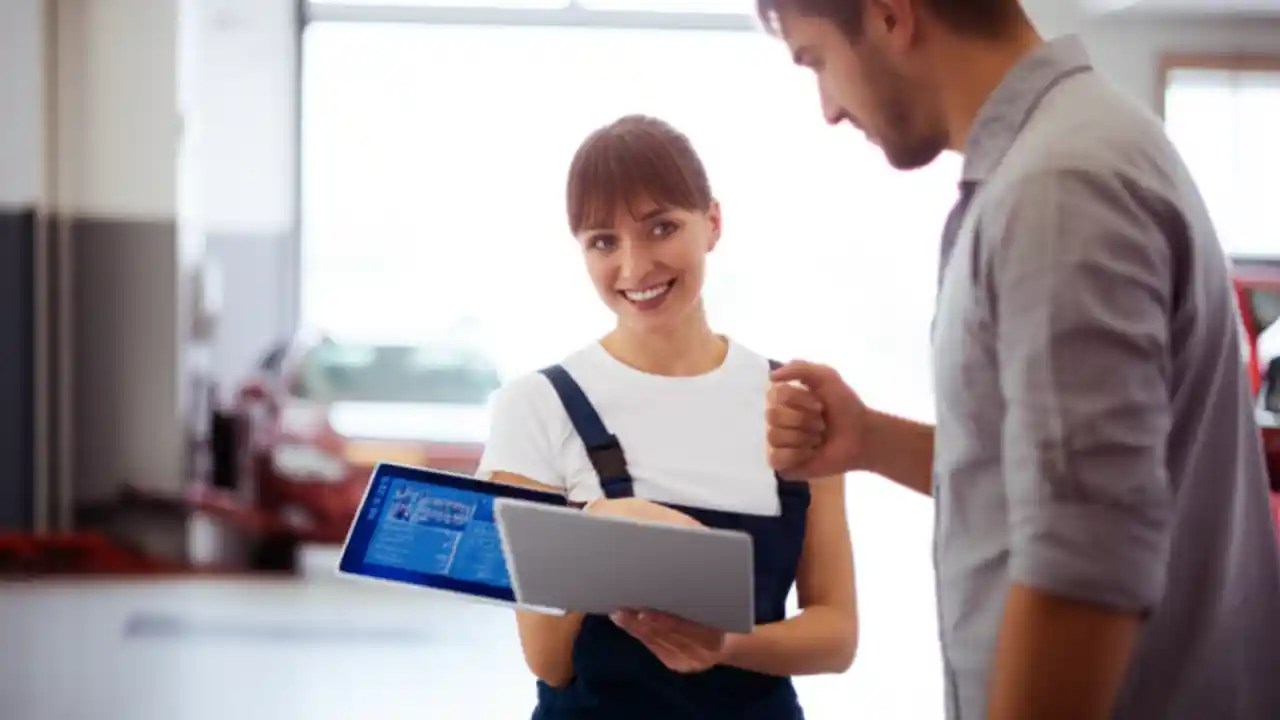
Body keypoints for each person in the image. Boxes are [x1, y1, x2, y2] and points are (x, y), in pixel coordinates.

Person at [755, 1, 1280, 719]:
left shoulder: (1059, 187)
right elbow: (1058, 479)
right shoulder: (1082, 145)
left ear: (889, 15)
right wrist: (869, 440)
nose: (829, 109)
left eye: (816, 61)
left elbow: (1083, 567)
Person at [476, 114, 858, 719]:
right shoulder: (538, 405)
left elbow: (836, 635)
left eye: (661, 228)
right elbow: (548, 659)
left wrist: (725, 645)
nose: (635, 268)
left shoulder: (793, 402)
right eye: (604, 241)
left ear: (713, 223)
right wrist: (603, 523)